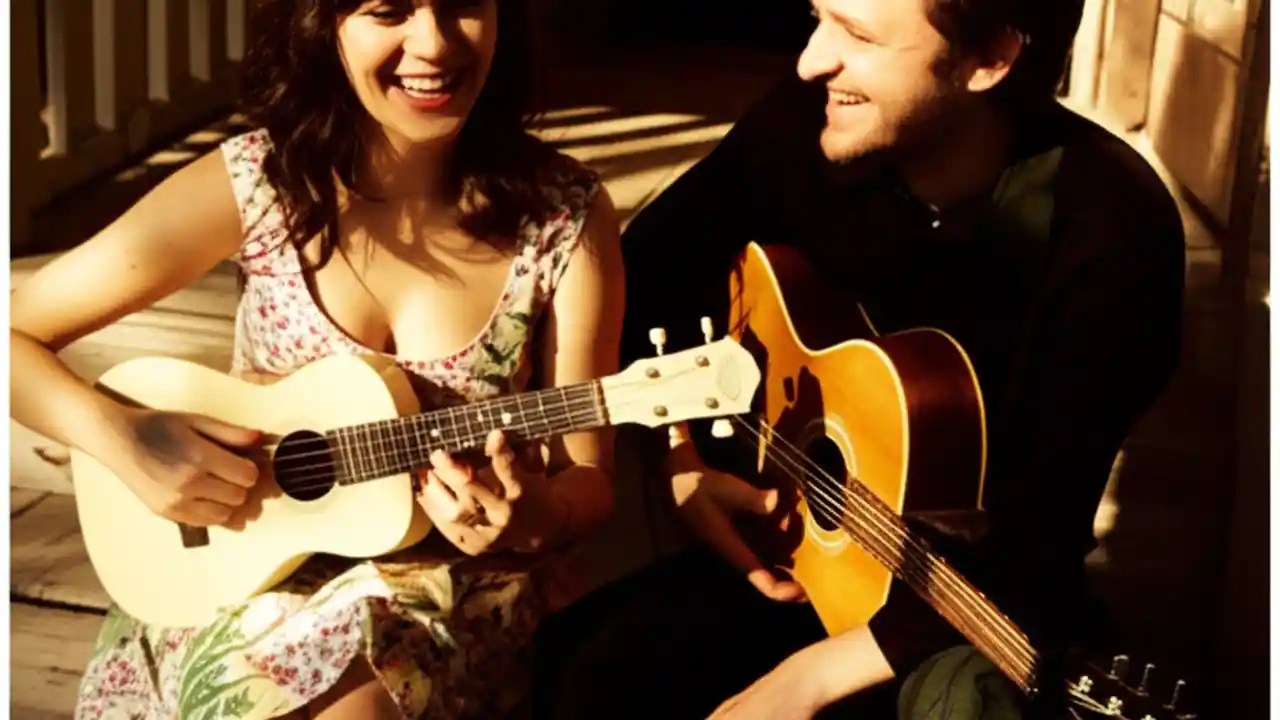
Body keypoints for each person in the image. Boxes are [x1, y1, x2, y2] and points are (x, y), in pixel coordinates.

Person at [532, 0, 1184, 718]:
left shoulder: (1108, 232)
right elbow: (644, 287)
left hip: (965, 605)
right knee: (582, 674)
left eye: (859, 34)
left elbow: (1036, 543)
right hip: (795, 561)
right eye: (819, 16)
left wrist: (800, 684)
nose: (812, 59)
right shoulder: (800, 124)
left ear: (990, 58)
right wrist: (679, 459)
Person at [10, 1, 624, 718]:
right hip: (243, 577)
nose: (432, 44)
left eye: (463, 3)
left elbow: (589, 477)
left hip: (458, 600)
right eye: (388, 10)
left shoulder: (562, 218)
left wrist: (535, 518)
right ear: (321, 23)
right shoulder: (261, 183)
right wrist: (126, 441)